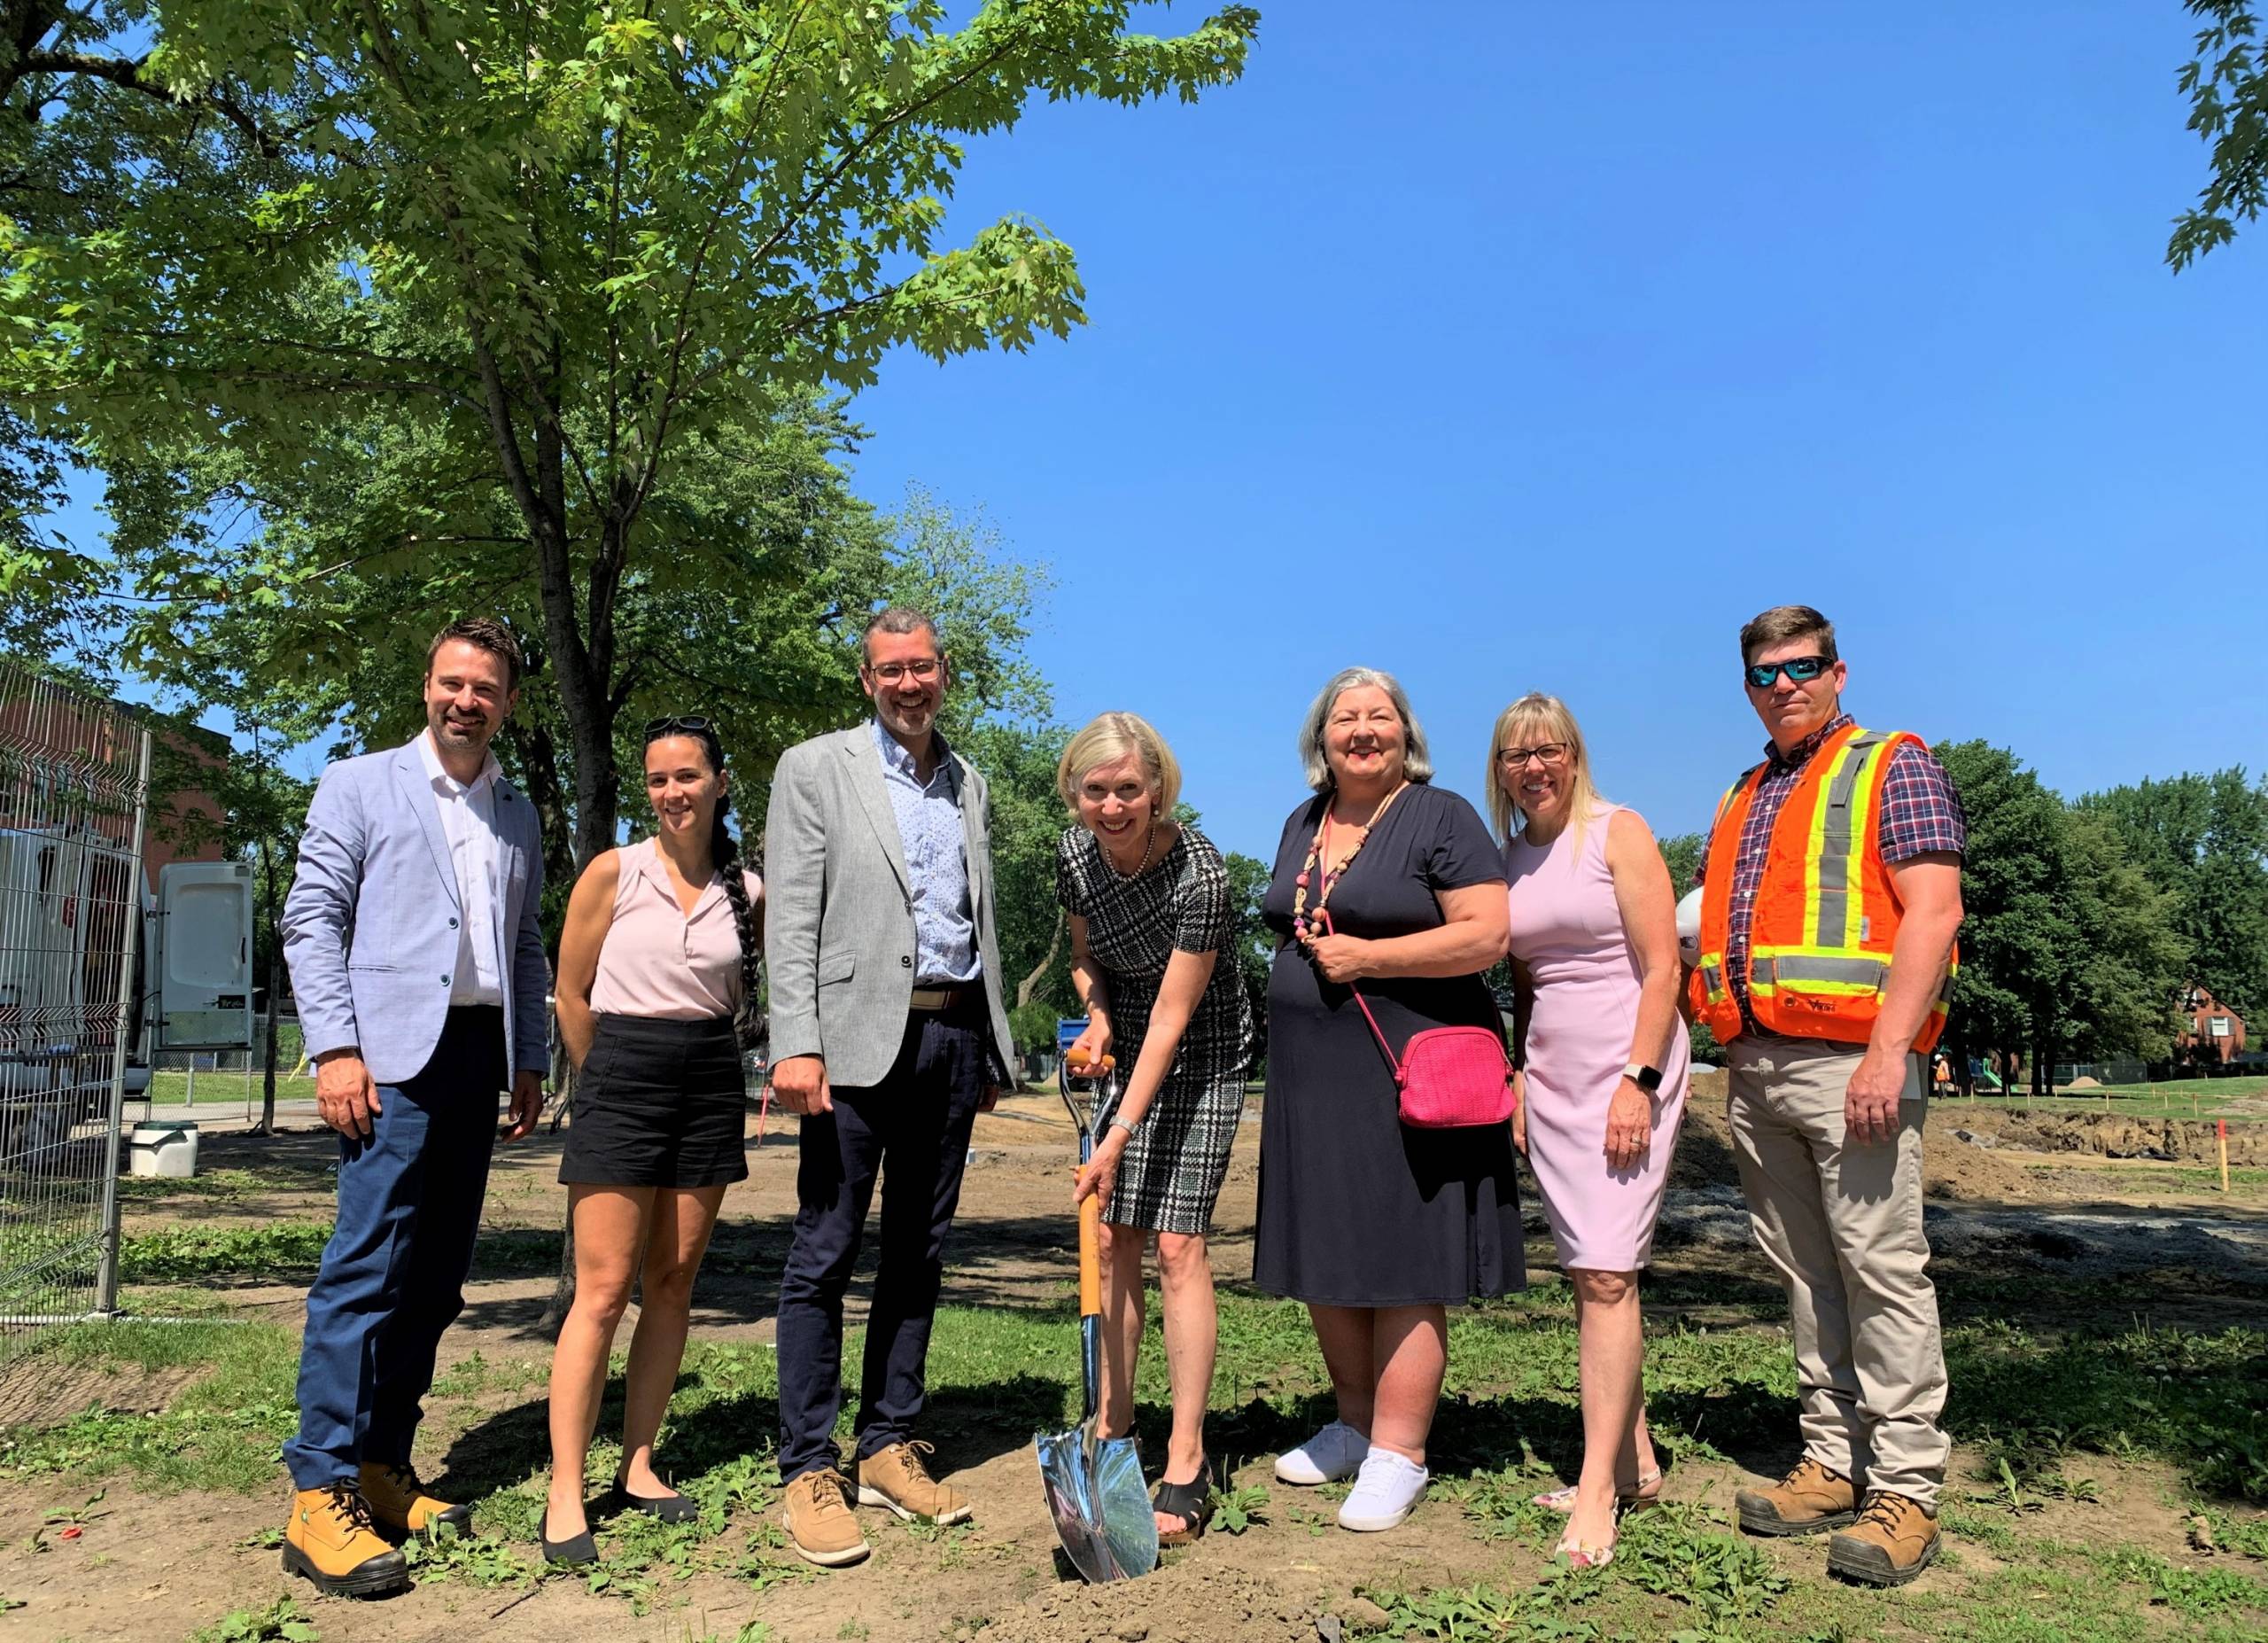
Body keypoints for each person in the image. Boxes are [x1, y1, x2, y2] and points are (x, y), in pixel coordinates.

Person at [1689, 605, 1965, 1587]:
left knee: (1880, 1267)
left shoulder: (1893, 765)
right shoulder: (1745, 791)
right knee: (1807, 1272)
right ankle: (1832, 1459)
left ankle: (1906, 1489)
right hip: (1759, 1065)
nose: (1785, 687)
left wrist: (1888, 1053)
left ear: (1837, 673)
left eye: (1802, 668)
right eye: (1765, 674)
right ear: (1748, 688)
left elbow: (1934, 910)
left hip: (1854, 1066)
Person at [276, 618, 549, 1597]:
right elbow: (312, 919)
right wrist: (337, 1048)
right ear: (427, 686)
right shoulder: (359, 784)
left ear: (507, 704)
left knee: (435, 1278)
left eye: (485, 689)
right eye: (452, 683)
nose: (466, 701)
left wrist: (531, 1056)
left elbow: (524, 943)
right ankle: (318, 1493)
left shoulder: (517, 812)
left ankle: (381, 1465)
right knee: (365, 1271)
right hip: (387, 1061)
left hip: (477, 1057)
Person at [763, 607, 1017, 1568]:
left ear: (944, 672)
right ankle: (807, 1463)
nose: (909, 684)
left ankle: (885, 1443)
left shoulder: (969, 782)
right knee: (824, 1252)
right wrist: (796, 1042)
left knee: (919, 1251)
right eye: (890, 670)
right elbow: (791, 916)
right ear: (866, 680)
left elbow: (976, 916)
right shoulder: (814, 768)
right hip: (850, 1046)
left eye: (923, 667)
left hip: (951, 1037)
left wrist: (989, 1045)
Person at [1254, 666, 1515, 1533]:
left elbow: (1487, 934)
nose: (1362, 731)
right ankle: (1355, 1423)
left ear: (1406, 733)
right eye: (1345, 718)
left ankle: (1400, 1452)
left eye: (1379, 716)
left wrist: (1371, 959)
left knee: (1406, 1256)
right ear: (1320, 739)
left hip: (1410, 1068)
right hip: (1313, 1076)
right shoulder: (1304, 820)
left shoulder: (1441, 817)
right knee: (1328, 1245)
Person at [538, 715, 765, 1564]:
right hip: (621, 1073)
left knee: (671, 1283)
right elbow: (571, 994)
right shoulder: (613, 871)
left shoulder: (749, 890)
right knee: (602, 1291)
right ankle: (566, 1489)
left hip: (709, 1078)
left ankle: (638, 1465)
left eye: (688, 776)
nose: (673, 792)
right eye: (659, 779)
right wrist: (601, 1082)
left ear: (720, 783)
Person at [1495, 693, 1689, 1570]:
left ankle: (1595, 1489)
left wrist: (1637, 1082)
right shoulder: (1510, 857)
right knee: (1589, 1274)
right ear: (1500, 770)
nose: (1534, 767)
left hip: (1625, 1070)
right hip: (1553, 1079)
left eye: (1549, 750)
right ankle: (1634, 1462)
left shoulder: (1619, 832)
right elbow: (1526, 985)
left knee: (1608, 1274)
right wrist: (1520, 1078)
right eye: (1517, 755)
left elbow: (1663, 970)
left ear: (1574, 755)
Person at [1057, 712, 1254, 1545]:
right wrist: (1098, 1015)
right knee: (1113, 1241)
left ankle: (1186, 1455)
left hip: (1202, 1049)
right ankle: (1113, 1430)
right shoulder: (1074, 856)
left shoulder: (1200, 874)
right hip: (1128, 1038)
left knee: (1177, 1244)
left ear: (1158, 789)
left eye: (1129, 790)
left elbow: (1174, 1019)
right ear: (1075, 793)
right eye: (1096, 791)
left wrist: (1115, 1136)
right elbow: (1085, 956)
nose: (1112, 807)